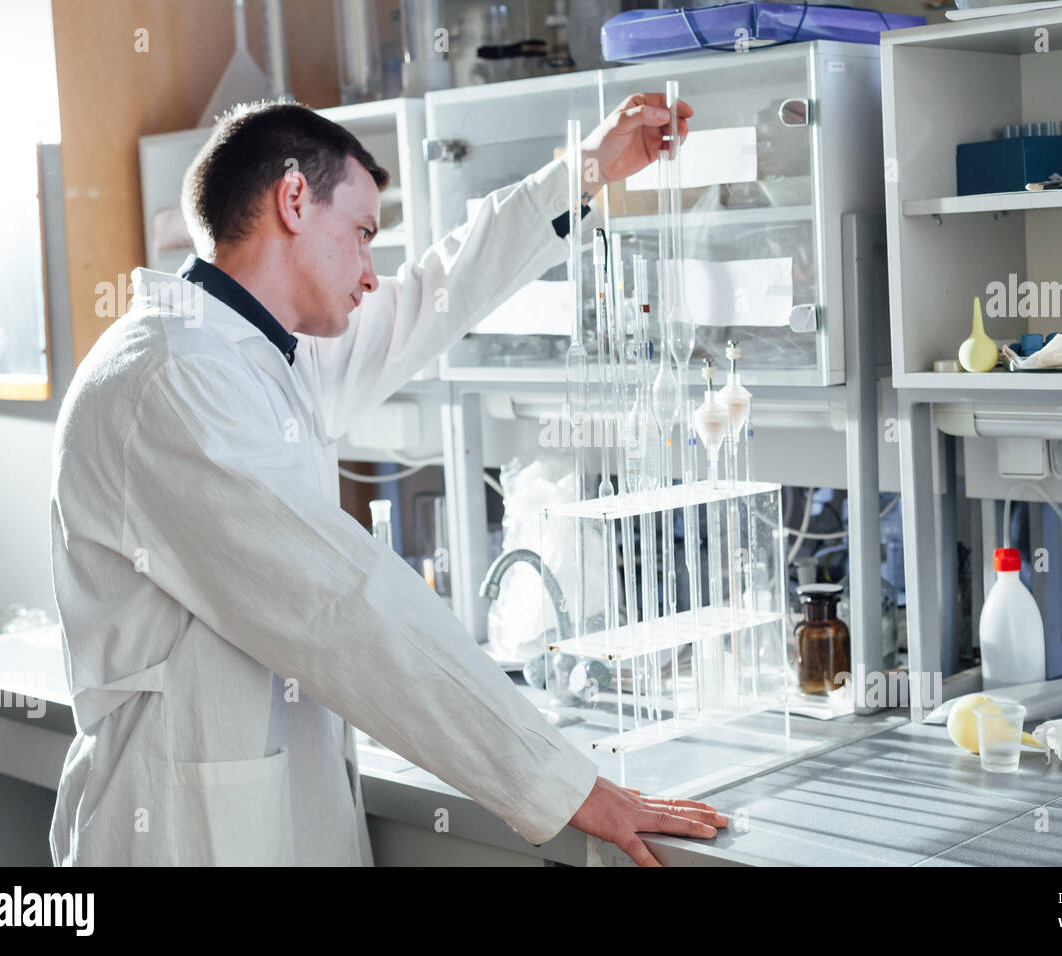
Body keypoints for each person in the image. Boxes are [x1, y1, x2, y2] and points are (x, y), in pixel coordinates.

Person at [49, 94, 725, 867]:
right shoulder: (172, 379)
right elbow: (344, 606)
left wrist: (586, 171)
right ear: (294, 198)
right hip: (175, 834)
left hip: (249, 809)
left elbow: (435, 296)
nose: (372, 275)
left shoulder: (254, 352)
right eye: (364, 235)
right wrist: (561, 782)